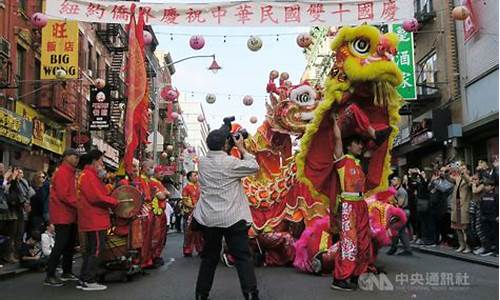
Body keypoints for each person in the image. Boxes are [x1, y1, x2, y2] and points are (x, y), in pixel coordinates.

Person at [193, 129, 260, 300]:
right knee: (243, 257)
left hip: (209, 218)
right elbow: (254, 167)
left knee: (209, 258)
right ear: (225, 144)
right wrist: (241, 147)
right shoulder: (230, 163)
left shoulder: (202, 162)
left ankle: (201, 294)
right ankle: (251, 294)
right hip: (233, 218)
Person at [330, 115, 373, 291]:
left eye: (361, 144)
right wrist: (333, 120)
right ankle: (339, 278)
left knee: (364, 242)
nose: (361, 146)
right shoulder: (342, 161)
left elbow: (375, 142)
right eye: (357, 143)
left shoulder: (360, 163)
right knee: (349, 242)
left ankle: (356, 274)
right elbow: (338, 137)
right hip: (348, 205)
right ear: (349, 146)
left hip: (361, 205)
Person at [76, 149, 118, 291]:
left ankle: (84, 277)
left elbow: (100, 193)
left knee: (92, 249)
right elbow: (96, 197)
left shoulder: (90, 175)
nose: (103, 165)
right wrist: (113, 202)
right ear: (94, 162)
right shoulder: (88, 175)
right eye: (101, 161)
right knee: (96, 249)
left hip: (94, 218)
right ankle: (88, 279)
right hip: (94, 219)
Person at [45, 149, 80, 287]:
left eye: (78, 157)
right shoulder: (63, 172)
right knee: (60, 244)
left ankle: (66, 271)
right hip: (62, 213)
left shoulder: (70, 172)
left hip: (70, 213)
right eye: (74, 156)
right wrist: (79, 204)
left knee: (69, 244)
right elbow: (64, 195)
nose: (77, 159)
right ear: (66, 157)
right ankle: (50, 275)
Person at [149, 166, 170, 267]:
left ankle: (156, 256)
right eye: (160, 173)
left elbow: (167, 193)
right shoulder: (152, 182)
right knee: (155, 236)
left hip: (161, 212)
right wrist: (164, 193)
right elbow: (162, 195)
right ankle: (153, 257)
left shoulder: (159, 183)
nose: (163, 175)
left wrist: (164, 193)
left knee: (161, 236)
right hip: (155, 213)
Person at [387, 176, 412, 256]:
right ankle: (407, 249)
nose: (392, 181)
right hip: (398, 212)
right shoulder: (394, 190)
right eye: (392, 179)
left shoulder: (402, 191)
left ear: (399, 182)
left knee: (394, 229)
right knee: (402, 232)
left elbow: (400, 204)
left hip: (403, 212)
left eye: (394, 180)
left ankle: (393, 247)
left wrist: (391, 200)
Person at [450, 163, 472, 253]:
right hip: (456, 204)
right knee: (457, 227)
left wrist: (464, 174)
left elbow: (469, 183)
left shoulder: (470, 178)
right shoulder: (458, 179)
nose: (461, 170)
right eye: (461, 168)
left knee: (464, 228)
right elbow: (449, 178)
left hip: (464, 205)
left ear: (468, 170)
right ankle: (461, 245)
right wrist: (448, 170)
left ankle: (468, 246)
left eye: (464, 168)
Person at [182, 171, 203, 257]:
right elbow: (184, 200)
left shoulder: (199, 187)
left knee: (199, 232)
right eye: (194, 175)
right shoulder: (186, 187)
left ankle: (200, 249)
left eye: (197, 175)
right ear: (189, 177)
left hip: (200, 212)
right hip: (190, 212)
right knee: (189, 232)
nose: (196, 177)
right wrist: (193, 207)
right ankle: (188, 250)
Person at [477, 179, 498, 256]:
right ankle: (488, 249)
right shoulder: (483, 196)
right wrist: (481, 216)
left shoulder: (496, 195)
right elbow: (481, 207)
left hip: (494, 217)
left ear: (492, 187)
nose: (486, 187)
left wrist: (498, 216)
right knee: (486, 234)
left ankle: (497, 251)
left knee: (496, 235)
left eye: (488, 186)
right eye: (485, 186)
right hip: (485, 218)